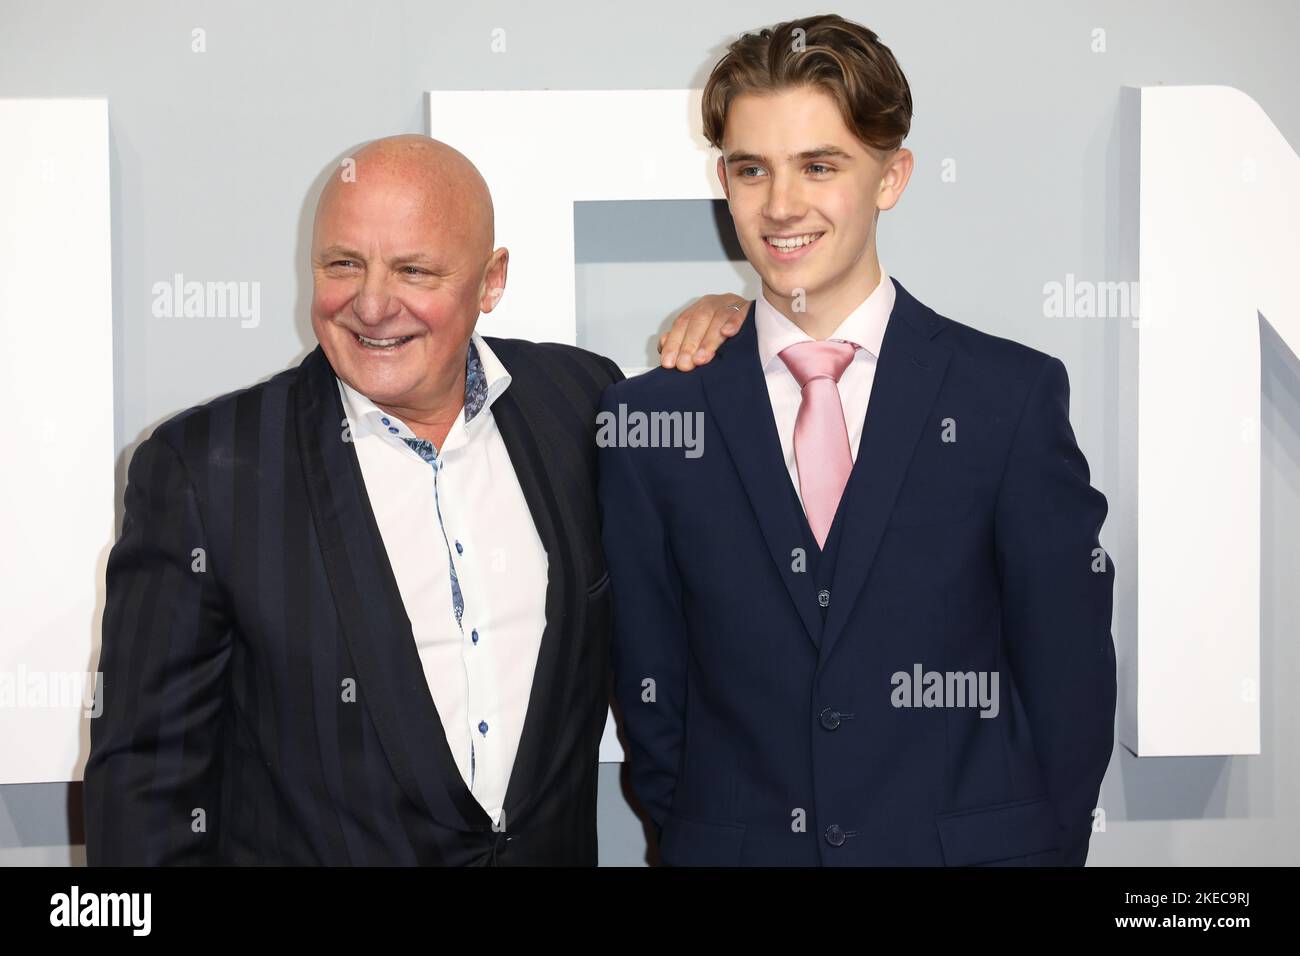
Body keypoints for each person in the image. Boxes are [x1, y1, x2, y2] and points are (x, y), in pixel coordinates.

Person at [84, 134, 745, 865]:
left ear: (491, 282)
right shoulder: (204, 470)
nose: (370, 305)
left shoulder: (580, 402)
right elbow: (143, 790)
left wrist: (749, 330)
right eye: (343, 264)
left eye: (413, 270)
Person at [600, 14, 1117, 866]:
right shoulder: (654, 422)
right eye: (751, 169)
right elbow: (655, 699)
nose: (781, 206)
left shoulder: (1008, 399)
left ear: (893, 176)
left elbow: (1068, 681)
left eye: (820, 166)